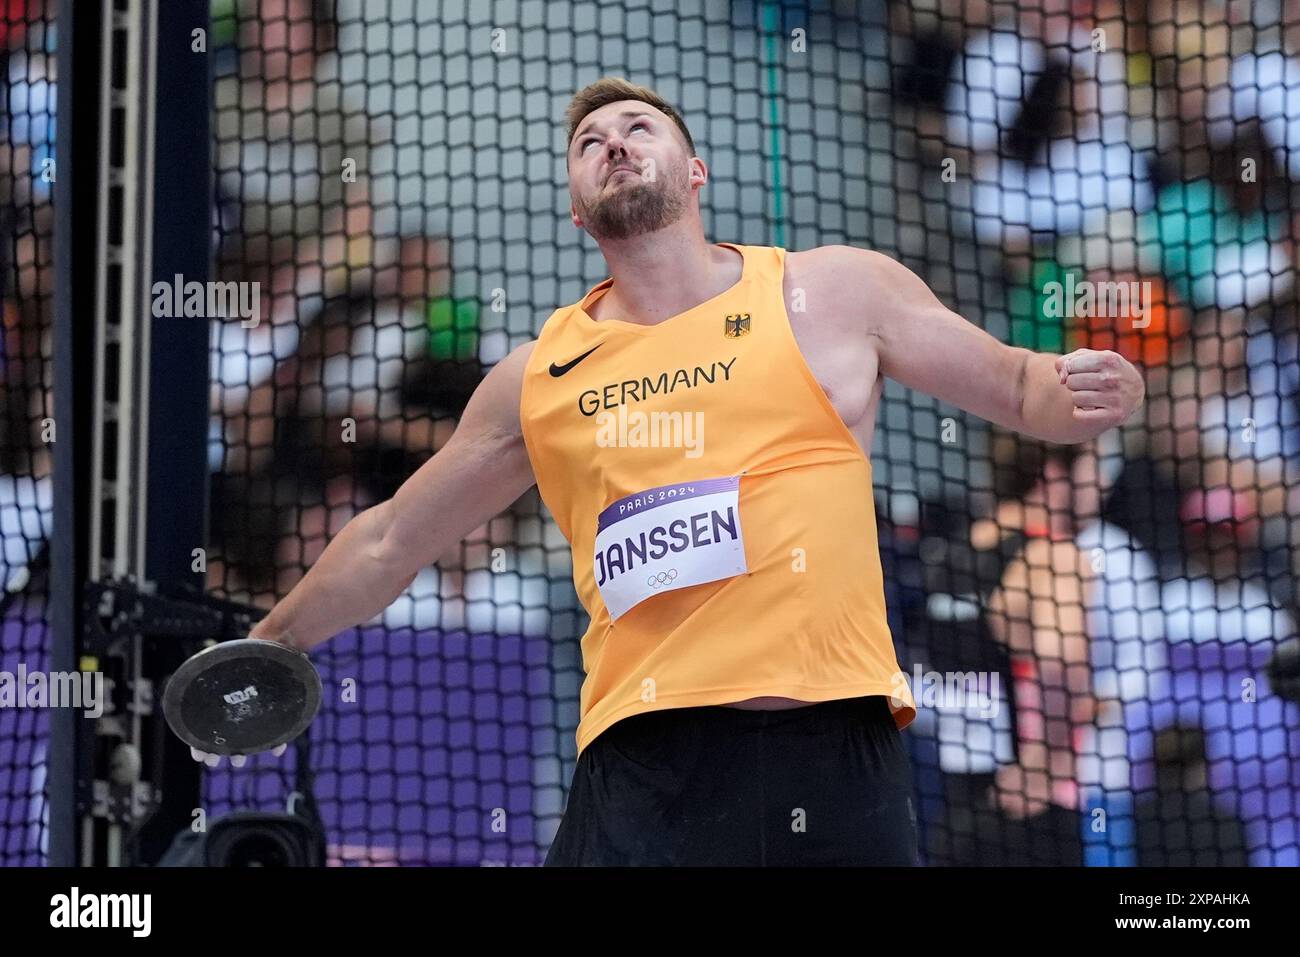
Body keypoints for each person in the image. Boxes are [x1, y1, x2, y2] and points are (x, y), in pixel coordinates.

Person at [195, 76, 1146, 866]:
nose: (612, 142)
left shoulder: (830, 293)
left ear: (694, 171)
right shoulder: (537, 376)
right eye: (589, 141)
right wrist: (272, 642)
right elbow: (395, 536)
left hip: (835, 746)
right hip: (647, 762)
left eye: (638, 127)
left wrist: (1090, 387)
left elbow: (1023, 388)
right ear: (577, 208)